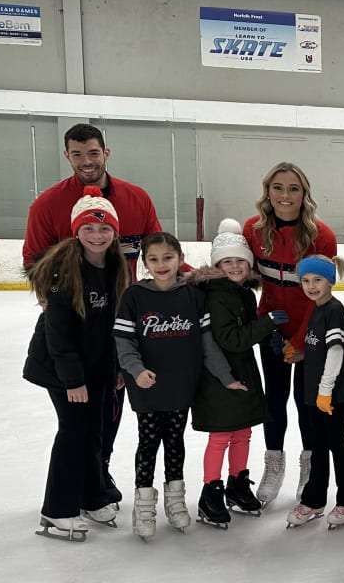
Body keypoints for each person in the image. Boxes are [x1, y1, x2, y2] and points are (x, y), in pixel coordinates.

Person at [23, 123, 166, 511]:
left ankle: (96, 476)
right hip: (75, 327)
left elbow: (157, 256)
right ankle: (80, 489)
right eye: (77, 154)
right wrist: (62, 312)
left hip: (121, 324)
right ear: (67, 156)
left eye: (93, 153)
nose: (86, 161)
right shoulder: (47, 205)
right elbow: (34, 263)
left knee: (110, 408)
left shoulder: (137, 199)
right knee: (78, 420)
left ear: (106, 153)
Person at [114, 232, 244, 541]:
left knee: (174, 442)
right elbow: (124, 342)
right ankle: (144, 505)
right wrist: (136, 370)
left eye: (168, 258)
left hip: (181, 385)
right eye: (153, 259)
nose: (161, 265)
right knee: (148, 443)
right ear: (144, 262)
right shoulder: (133, 297)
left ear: (179, 258)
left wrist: (226, 377)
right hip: (146, 385)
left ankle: (175, 500)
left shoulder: (193, 297)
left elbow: (208, 345)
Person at [23, 186, 132, 541]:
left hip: (97, 366)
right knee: (73, 432)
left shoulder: (115, 267)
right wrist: (72, 381)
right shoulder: (63, 271)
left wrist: (116, 367)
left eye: (104, 229)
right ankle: (57, 510)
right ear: (76, 231)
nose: (97, 236)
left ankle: (92, 494)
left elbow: (112, 324)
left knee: (94, 431)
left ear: (114, 232)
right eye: (88, 228)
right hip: (62, 369)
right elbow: (59, 335)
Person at [242, 162, 337, 507]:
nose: (285, 195)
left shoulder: (321, 236)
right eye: (278, 187)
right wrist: (262, 325)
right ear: (268, 192)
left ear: (304, 194)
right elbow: (244, 280)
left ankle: (309, 467)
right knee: (274, 400)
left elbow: (321, 296)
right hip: (273, 331)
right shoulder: (253, 230)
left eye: (293, 188)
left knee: (306, 402)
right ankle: (273, 463)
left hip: (309, 334)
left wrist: (299, 342)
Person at [189, 219, 281, 529]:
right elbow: (231, 338)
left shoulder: (240, 292)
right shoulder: (217, 294)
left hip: (242, 372)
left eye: (240, 260)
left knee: (243, 432)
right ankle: (210, 492)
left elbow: (245, 334)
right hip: (219, 378)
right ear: (217, 264)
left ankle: (237, 484)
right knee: (221, 436)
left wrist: (271, 334)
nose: (235, 266)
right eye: (226, 261)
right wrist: (267, 323)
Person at [285, 255, 344, 530]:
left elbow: (336, 351)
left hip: (331, 394)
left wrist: (326, 389)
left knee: (336, 443)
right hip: (315, 392)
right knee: (318, 445)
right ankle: (314, 499)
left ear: (330, 280)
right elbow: (316, 348)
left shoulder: (334, 310)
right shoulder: (316, 309)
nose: (311, 285)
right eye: (305, 280)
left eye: (317, 280)